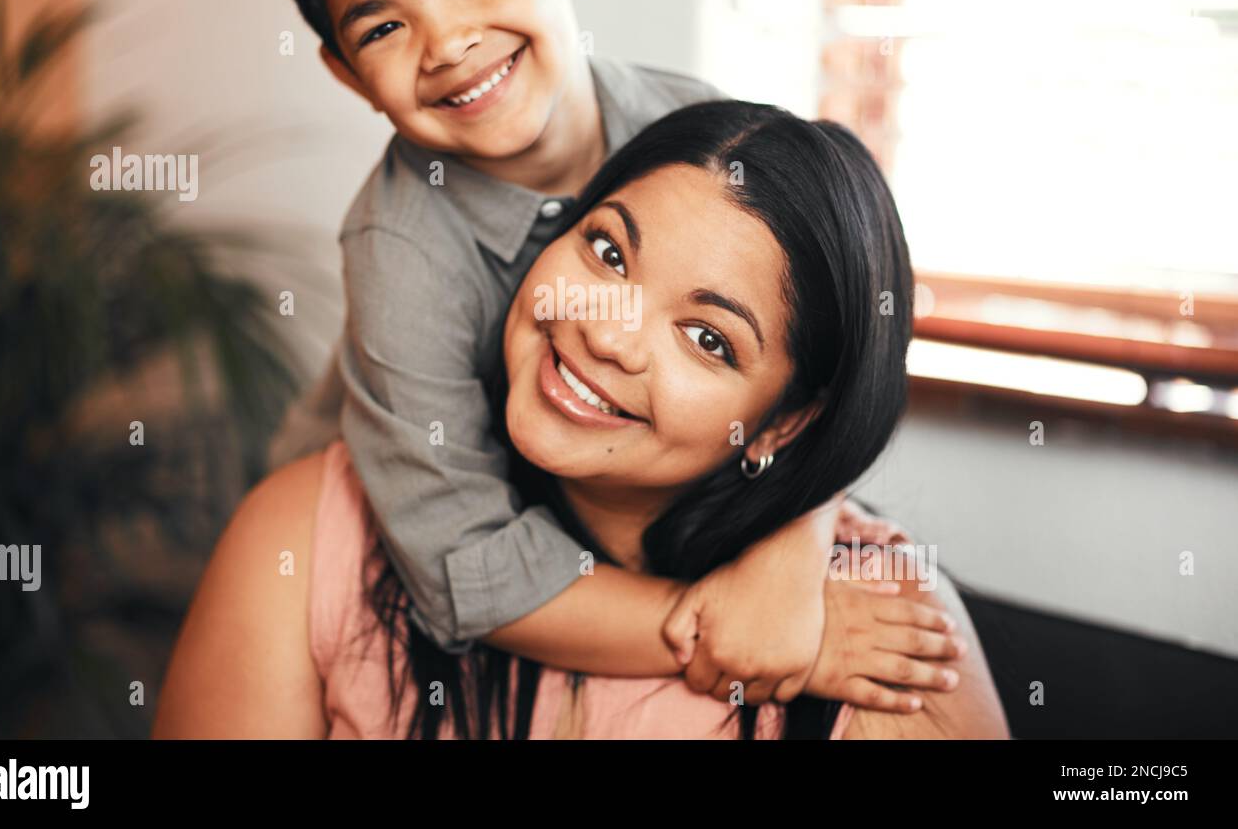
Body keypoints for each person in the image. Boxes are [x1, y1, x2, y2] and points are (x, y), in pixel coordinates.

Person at [267, 0, 936, 703]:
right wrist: (726, 628)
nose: (444, 43)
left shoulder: (702, 133)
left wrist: (791, 553)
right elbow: (464, 567)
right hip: (384, 500)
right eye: (384, 27)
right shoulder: (400, 254)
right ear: (346, 74)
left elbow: (831, 356)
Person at [153, 101, 1009, 738]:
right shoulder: (307, 534)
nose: (604, 330)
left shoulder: (888, 636)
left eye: (707, 338)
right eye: (608, 251)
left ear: (785, 423)